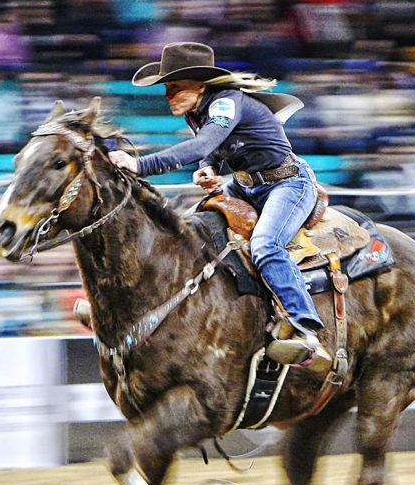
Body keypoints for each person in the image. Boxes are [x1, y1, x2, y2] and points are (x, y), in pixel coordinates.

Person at [109, 42, 328, 365]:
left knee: (266, 245)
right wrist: (208, 169)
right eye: (167, 89)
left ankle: (305, 328)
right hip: (244, 184)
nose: (169, 96)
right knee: (186, 227)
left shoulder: (226, 103)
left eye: (176, 88)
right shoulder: (199, 110)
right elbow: (211, 148)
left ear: (200, 85)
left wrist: (139, 165)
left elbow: (202, 143)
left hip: (288, 184)